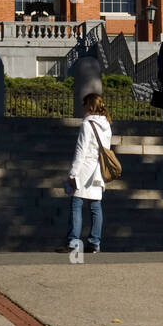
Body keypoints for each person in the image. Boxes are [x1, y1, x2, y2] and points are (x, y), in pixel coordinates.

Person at [56, 92, 112, 255]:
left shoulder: (87, 124)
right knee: (95, 207)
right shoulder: (107, 125)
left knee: (77, 204)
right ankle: (95, 243)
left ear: (88, 106)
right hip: (98, 170)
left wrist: (73, 173)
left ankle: (73, 243)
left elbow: (81, 150)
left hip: (85, 169)